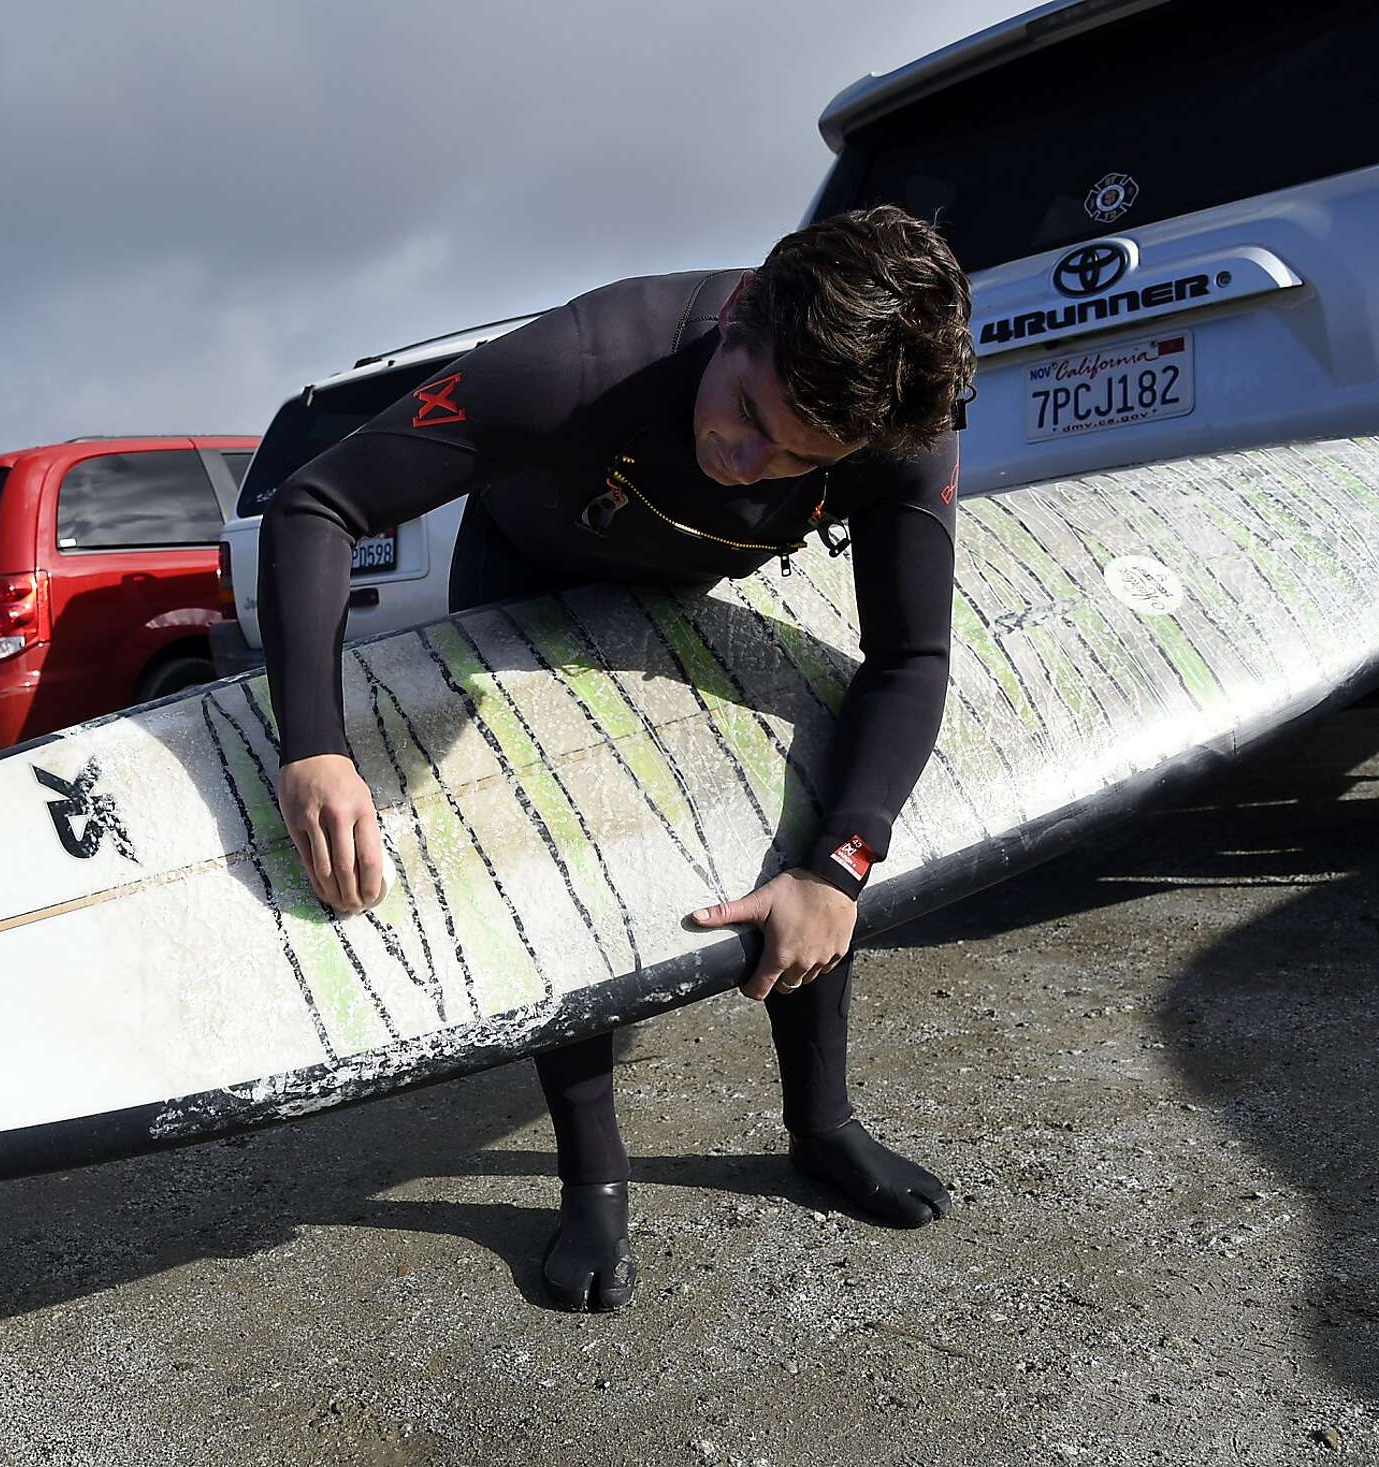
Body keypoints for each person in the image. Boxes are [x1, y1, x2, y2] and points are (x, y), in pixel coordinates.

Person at [259, 206, 976, 1312]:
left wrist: (842, 866)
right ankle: (592, 1176)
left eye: (799, 459)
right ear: (739, 318)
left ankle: (822, 1125)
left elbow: (912, 655)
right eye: (747, 414)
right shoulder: (579, 363)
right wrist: (314, 746)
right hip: (533, 574)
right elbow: (316, 502)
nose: (749, 461)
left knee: (815, 786)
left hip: (688, 589)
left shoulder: (895, 427)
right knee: (557, 836)